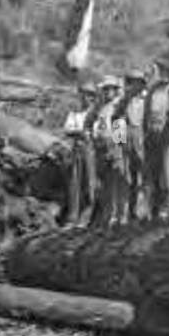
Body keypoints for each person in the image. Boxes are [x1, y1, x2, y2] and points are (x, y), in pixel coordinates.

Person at [144, 57, 169, 223]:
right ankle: (154, 209)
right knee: (153, 173)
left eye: (168, 71)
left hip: (167, 135)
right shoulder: (153, 90)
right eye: (162, 70)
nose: (164, 74)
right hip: (151, 134)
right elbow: (146, 114)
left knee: (167, 172)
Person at [60, 80, 98, 224]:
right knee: (75, 183)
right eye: (85, 95)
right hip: (77, 149)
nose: (87, 98)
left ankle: (87, 216)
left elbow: (98, 131)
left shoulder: (96, 114)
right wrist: (80, 132)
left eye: (91, 95)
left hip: (92, 149)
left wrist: (85, 133)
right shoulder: (74, 114)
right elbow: (67, 129)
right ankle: (72, 216)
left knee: (91, 182)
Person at [90, 76, 125, 230]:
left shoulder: (118, 106)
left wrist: (116, 147)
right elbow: (94, 126)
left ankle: (115, 215)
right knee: (103, 184)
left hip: (113, 146)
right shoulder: (100, 107)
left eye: (110, 89)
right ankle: (104, 215)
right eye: (105, 89)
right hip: (101, 148)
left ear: (115, 91)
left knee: (114, 182)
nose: (108, 92)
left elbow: (120, 130)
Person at [113, 69, 147, 224]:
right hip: (127, 141)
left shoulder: (145, 101)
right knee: (126, 178)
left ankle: (142, 211)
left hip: (142, 140)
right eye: (132, 82)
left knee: (142, 178)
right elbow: (117, 120)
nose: (135, 86)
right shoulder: (123, 101)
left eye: (138, 83)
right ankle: (125, 213)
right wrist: (119, 144)